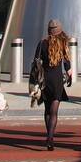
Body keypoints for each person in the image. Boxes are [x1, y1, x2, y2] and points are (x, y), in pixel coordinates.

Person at [32, 19, 73, 151]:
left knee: (47, 110)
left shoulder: (42, 43)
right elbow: (67, 64)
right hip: (56, 80)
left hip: (45, 79)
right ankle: (50, 137)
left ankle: (49, 136)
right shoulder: (63, 43)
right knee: (54, 112)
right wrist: (69, 75)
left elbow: (36, 61)